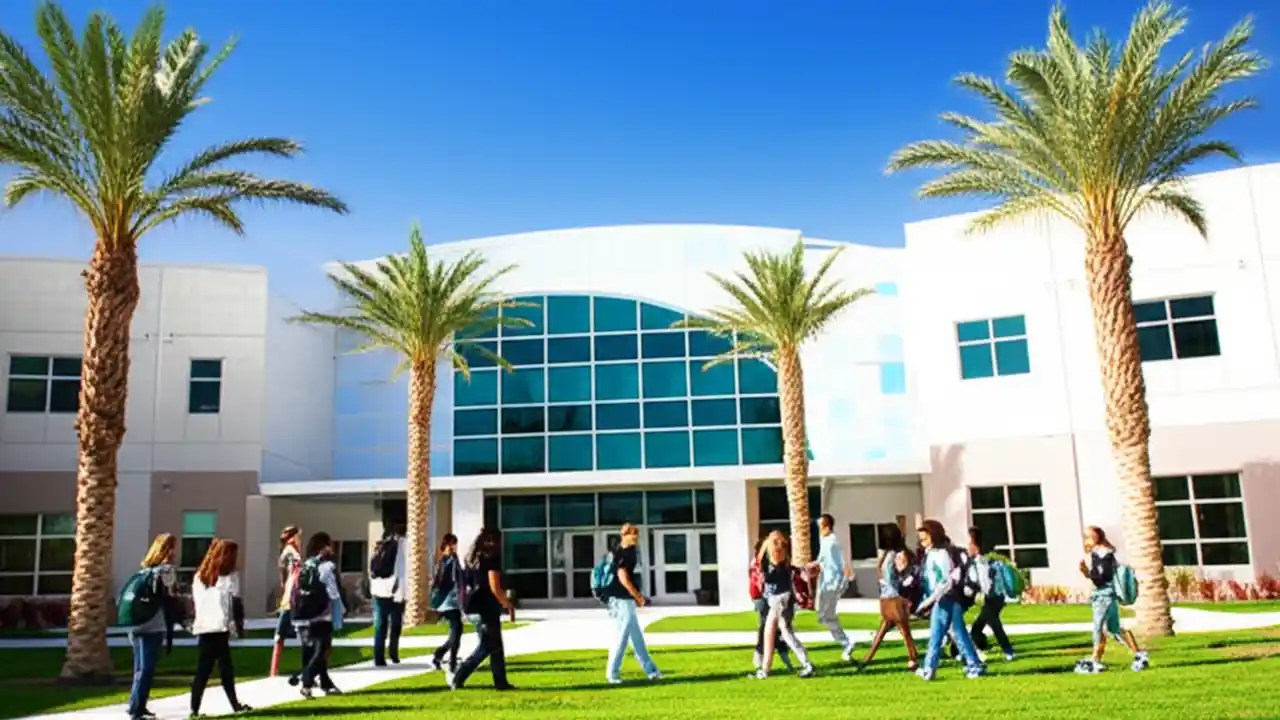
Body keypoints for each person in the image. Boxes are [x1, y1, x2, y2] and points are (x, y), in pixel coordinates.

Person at [189, 539, 251, 717]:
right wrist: (238, 625)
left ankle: (196, 708)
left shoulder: (201, 577)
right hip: (216, 628)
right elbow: (234, 604)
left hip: (207, 627)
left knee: (208, 670)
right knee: (219, 669)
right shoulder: (227, 578)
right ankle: (232, 705)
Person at [915, 519, 984, 681]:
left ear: (933, 535)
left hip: (945, 598)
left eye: (925, 538)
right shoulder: (931, 554)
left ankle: (929, 669)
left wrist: (927, 602)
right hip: (945, 599)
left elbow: (945, 581)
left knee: (937, 635)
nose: (922, 541)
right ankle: (974, 665)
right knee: (957, 633)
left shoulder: (942, 554)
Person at [1076, 526, 1150, 674]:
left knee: (1098, 628)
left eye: (1089, 537)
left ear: (1097, 538)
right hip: (1109, 594)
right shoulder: (1104, 553)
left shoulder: (1102, 554)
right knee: (1114, 629)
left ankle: (1096, 660)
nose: (1086, 540)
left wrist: (1086, 573)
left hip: (1103, 596)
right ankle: (1138, 654)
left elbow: (1102, 578)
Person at [450, 528, 516, 690]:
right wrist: (507, 603)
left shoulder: (471, 558)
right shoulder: (491, 558)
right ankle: (459, 674)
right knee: (488, 645)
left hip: (472, 605)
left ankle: (501, 682)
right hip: (486, 605)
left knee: (496, 646)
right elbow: (494, 586)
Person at [127, 533, 179, 720]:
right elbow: (172, 596)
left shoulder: (143, 571)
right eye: (172, 547)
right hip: (153, 626)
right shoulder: (166, 571)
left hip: (137, 625)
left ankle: (137, 705)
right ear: (168, 549)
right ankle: (137, 710)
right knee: (146, 669)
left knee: (140, 669)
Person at [604, 523, 662, 685]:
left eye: (637, 533)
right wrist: (638, 596)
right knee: (621, 638)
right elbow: (623, 576)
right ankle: (612, 674)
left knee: (636, 639)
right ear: (625, 535)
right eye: (633, 533)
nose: (636, 536)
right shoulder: (628, 553)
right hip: (622, 599)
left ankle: (652, 671)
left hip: (617, 599)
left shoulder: (616, 551)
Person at [858, 523, 919, 671]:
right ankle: (869, 657)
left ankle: (912, 657)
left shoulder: (898, 554)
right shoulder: (888, 554)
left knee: (903, 631)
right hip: (886, 597)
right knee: (887, 629)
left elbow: (902, 575)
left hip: (894, 597)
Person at [754, 531, 815, 679]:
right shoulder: (783, 560)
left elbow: (767, 574)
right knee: (783, 632)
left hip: (778, 600)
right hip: (784, 599)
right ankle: (805, 663)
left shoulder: (775, 561)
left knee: (773, 632)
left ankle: (766, 669)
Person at [291, 532, 343, 698]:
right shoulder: (327, 566)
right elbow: (333, 593)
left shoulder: (305, 565)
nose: (332, 548)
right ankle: (305, 680)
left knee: (310, 650)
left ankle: (325, 683)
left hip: (303, 614)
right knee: (322, 651)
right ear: (323, 547)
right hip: (321, 615)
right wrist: (340, 609)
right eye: (329, 544)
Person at [807, 513, 855, 661]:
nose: (819, 530)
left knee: (826, 615)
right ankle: (845, 643)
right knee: (823, 614)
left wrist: (838, 584)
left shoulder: (831, 543)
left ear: (827, 527)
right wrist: (813, 564)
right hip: (827, 582)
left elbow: (837, 565)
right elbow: (824, 560)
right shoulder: (826, 541)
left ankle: (846, 643)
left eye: (821, 527)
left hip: (831, 583)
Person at [965, 526, 1015, 662]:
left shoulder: (980, 563)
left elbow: (979, 582)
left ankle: (1008, 651)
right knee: (978, 627)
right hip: (995, 597)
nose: (968, 547)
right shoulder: (990, 560)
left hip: (992, 597)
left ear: (976, 547)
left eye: (970, 544)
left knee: (994, 624)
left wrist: (969, 589)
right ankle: (984, 647)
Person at [749, 538, 794, 672]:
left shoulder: (775, 564)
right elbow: (759, 581)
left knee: (775, 630)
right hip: (763, 598)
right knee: (770, 629)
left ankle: (765, 663)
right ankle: (763, 661)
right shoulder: (761, 564)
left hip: (769, 598)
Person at [370, 524, 407, 667]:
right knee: (396, 625)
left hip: (378, 590)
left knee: (380, 625)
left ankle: (379, 658)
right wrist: (402, 592)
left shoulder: (380, 547)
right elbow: (402, 570)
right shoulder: (402, 546)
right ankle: (393, 653)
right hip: (394, 591)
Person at [430, 533, 464, 678]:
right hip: (446, 602)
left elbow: (459, 578)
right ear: (444, 546)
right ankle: (451, 664)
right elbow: (441, 581)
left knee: (456, 633)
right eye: (450, 544)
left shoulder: (453, 559)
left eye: (454, 544)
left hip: (453, 601)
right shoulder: (443, 562)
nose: (453, 547)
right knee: (456, 633)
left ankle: (440, 656)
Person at [270, 526, 301, 678]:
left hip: (290, 594)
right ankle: (274, 670)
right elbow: (295, 567)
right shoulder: (291, 550)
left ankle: (274, 669)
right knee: (282, 632)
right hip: (291, 596)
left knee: (282, 633)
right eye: (298, 536)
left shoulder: (287, 551)